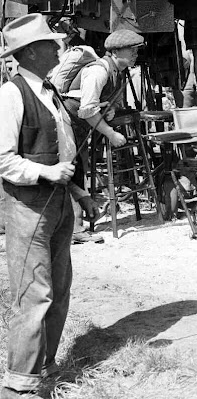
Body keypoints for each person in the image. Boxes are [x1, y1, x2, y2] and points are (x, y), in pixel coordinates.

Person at [0, 14, 98, 398]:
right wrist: (46, 172)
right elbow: (3, 160)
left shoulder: (50, 90)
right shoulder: (12, 94)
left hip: (60, 204)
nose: (59, 48)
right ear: (29, 52)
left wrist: (79, 192)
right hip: (28, 207)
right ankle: (20, 385)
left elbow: (64, 150)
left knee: (59, 290)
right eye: (49, 43)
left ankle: (46, 368)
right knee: (33, 296)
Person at [64, 28, 144, 244]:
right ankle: (75, 229)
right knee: (73, 171)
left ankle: (75, 226)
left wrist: (111, 109)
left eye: (136, 50)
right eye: (130, 50)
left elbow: (111, 100)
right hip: (68, 122)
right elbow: (87, 110)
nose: (135, 54)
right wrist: (110, 133)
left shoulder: (118, 72)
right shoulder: (98, 71)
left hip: (81, 125)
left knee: (77, 170)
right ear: (115, 52)